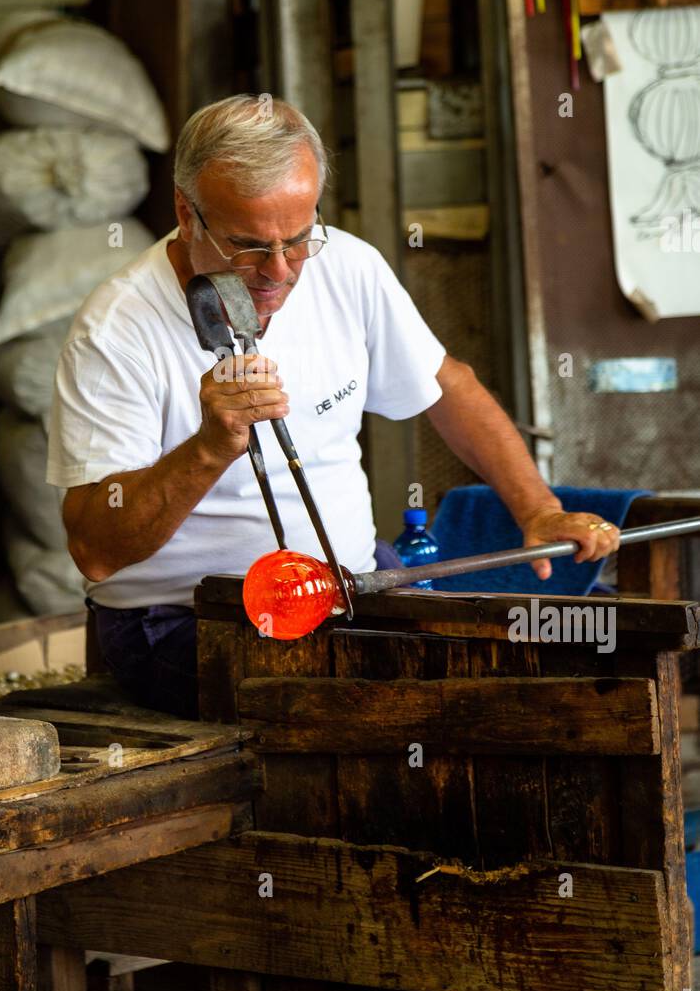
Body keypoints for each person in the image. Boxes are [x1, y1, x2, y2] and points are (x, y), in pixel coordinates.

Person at [47, 95, 618, 717]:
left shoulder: (346, 265)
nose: (280, 272)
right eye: (247, 246)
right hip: (184, 622)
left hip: (350, 587)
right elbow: (96, 550)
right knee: (386, 709)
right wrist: (209, 449)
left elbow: (447, 385)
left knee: (519, 679)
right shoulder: (116, 330)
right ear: (187, 212)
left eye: (297, 240)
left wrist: (539, 510)